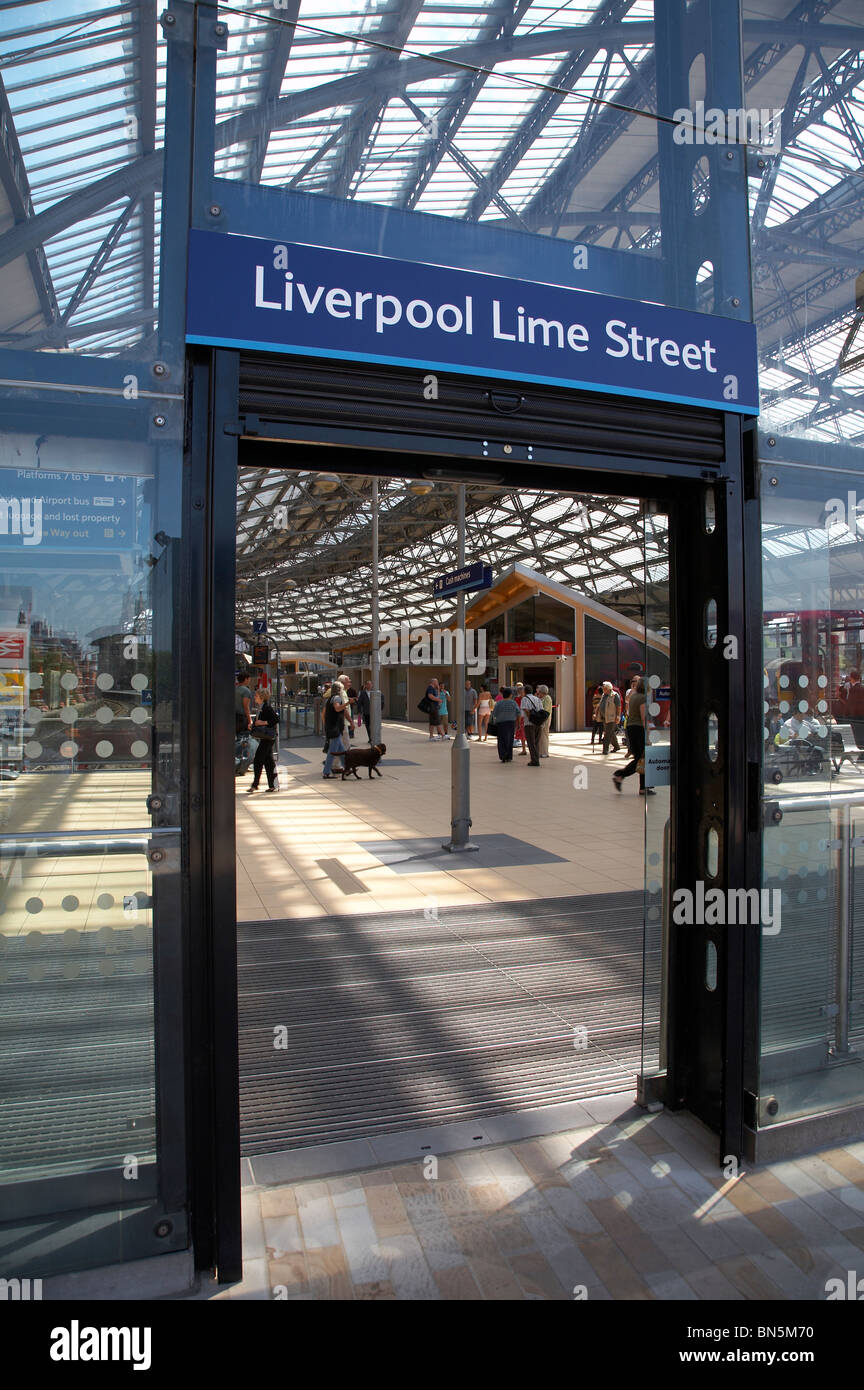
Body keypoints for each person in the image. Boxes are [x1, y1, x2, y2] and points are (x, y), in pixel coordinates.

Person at [613, 676, 653, 794]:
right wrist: (648, 734)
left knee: (640, 758)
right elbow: (643, 717)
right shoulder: (642, 698)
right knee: (642, 758)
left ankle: (642, 787)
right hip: (638, 729)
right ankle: (620, 775)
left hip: (631, 727)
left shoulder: (634, 696)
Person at [248, 688, 278, 792]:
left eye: (256, 695)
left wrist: (262, 723)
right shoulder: (261, 707)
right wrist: (253, 725)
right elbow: (259, 722)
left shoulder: (267, 708)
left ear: (261, 697)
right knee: (268, 761)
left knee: (258, 759)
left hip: (268, 737)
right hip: (266, 737)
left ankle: (255, 784)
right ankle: (273, 785)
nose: (254, 697)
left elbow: (275, 720)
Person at [323, 680, 349, 778]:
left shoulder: (329, 699)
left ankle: (346, 769)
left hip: (333, 728)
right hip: (335, 729)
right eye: (342, 689)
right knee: (332, 752)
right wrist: (347, 703)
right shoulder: (337, 698)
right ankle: (326, 772)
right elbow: (338, 709)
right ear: (339, 690)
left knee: (342, 751)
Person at [490, 686, 520, 762]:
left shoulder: (498, 703)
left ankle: (502, 755)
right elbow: (518, 713)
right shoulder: (513, 703)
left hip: (501, 724)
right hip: (511, 723)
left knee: (501, 740)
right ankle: (509, 756)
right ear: (510, 695)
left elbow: (494, 714)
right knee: (510, 739)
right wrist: (518, 723)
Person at [235, 669, 254, 775]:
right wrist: (250, 720)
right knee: (245, 742)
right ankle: (243, 765)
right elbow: (246, 707)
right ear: (246, 679)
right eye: (249, 678)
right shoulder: (246, 691)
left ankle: (237, 763)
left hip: (234, 718)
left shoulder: (235, 689)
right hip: (242, 719)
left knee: (238, 740)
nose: (249, 680)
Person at [520, 683, 543, 766]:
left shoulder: (524, 699)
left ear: (525, 691)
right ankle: (536, 759)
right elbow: (541, 710)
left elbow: (524, 711)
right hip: (538, 723)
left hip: (529, 723)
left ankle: (534, 760)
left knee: (531, 742)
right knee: (536, 742)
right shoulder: (537, 699)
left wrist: (530, 717)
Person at [598, 681, 621, 753]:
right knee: (611, 733)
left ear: (608, 688)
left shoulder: (615, 695)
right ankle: (616, 746)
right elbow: (600, 705)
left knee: (607, 734)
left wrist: (618, 716)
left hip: (611, 717)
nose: (603, 689)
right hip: (604, 717)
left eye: (604, 688)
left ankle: (605, 750)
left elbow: (618, 707)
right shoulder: (603, 695)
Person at [537, 684, 553, 757]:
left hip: (545, 718)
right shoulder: (543, 698)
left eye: (539, 692)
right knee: (541, 735)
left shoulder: (547, 698)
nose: (538, 693)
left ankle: (544, 752)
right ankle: (541, 751)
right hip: (542, 718)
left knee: (544, 735)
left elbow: (545, 709)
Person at [514, 682, 527, 755]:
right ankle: (524, 749)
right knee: (523, 735)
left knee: (524, 734)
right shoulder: (518, 699)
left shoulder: (523, 699)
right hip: (522, 718)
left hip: (523, 718)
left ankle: (524, 749)